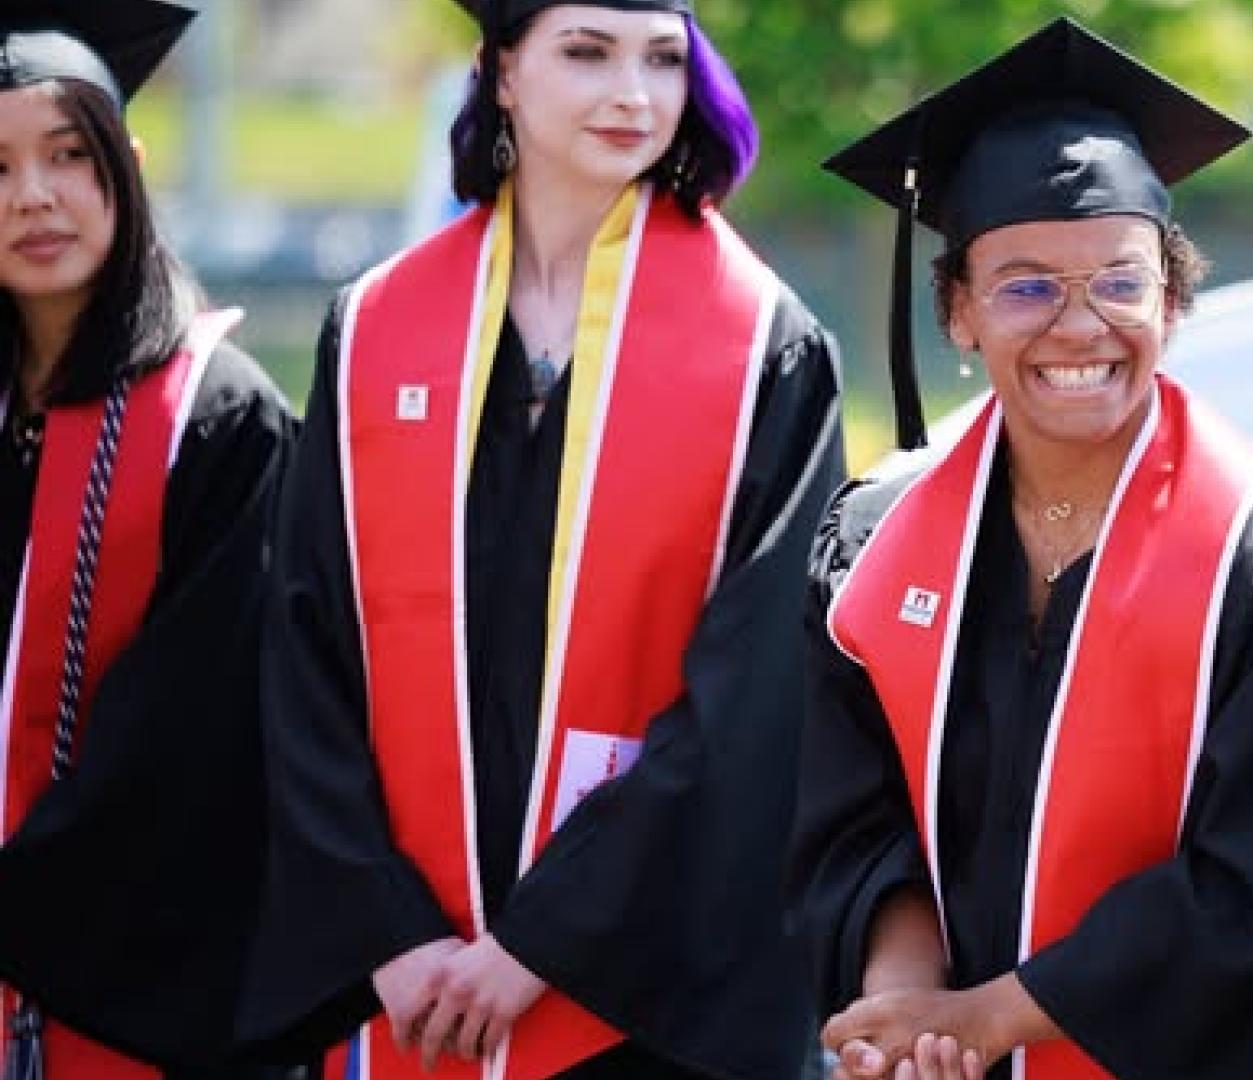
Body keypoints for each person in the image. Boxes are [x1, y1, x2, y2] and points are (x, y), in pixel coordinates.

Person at [241, 1, 844, 1077]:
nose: (634, 93)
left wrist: (542, 945)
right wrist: (386, 929)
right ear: (502, 72)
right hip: (405, 985)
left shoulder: (763, 347)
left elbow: (757, 692)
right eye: (587, 52)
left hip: (643, 1004)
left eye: (664, 59)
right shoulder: (378, 326)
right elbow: (304, 645)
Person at [790, 18, 1253, 1080]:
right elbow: (847, 823)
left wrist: (989, 1020)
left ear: (1170, 297)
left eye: (1119, 282)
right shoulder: (868, 559)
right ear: (960, 313)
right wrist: (906, 1001)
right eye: (1026, 286)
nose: (1080, 326)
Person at [0, 2, 298, 1078]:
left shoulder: (219, 420)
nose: (34, 196)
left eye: (69, 156)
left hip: (140, 1000)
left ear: (125, 167)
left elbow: (201, 735)